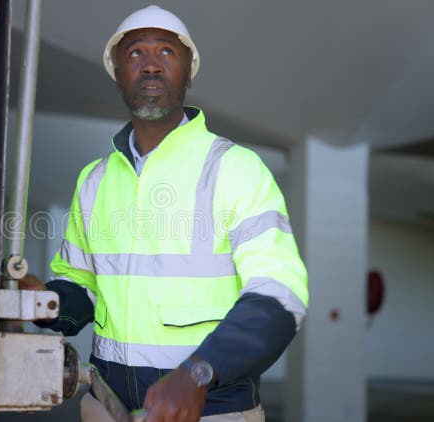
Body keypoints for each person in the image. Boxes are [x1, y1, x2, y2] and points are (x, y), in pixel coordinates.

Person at [20, 5, 308, 422]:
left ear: (188, 72)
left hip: (210, 410)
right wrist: (43, 301)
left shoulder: (234, 168)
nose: (151, 65)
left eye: (167, 53)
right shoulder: (95, 180)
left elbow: (280, 293)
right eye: (136, 53)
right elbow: (82, 287)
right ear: (118, 74)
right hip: (108, 406)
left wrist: (198, 373)